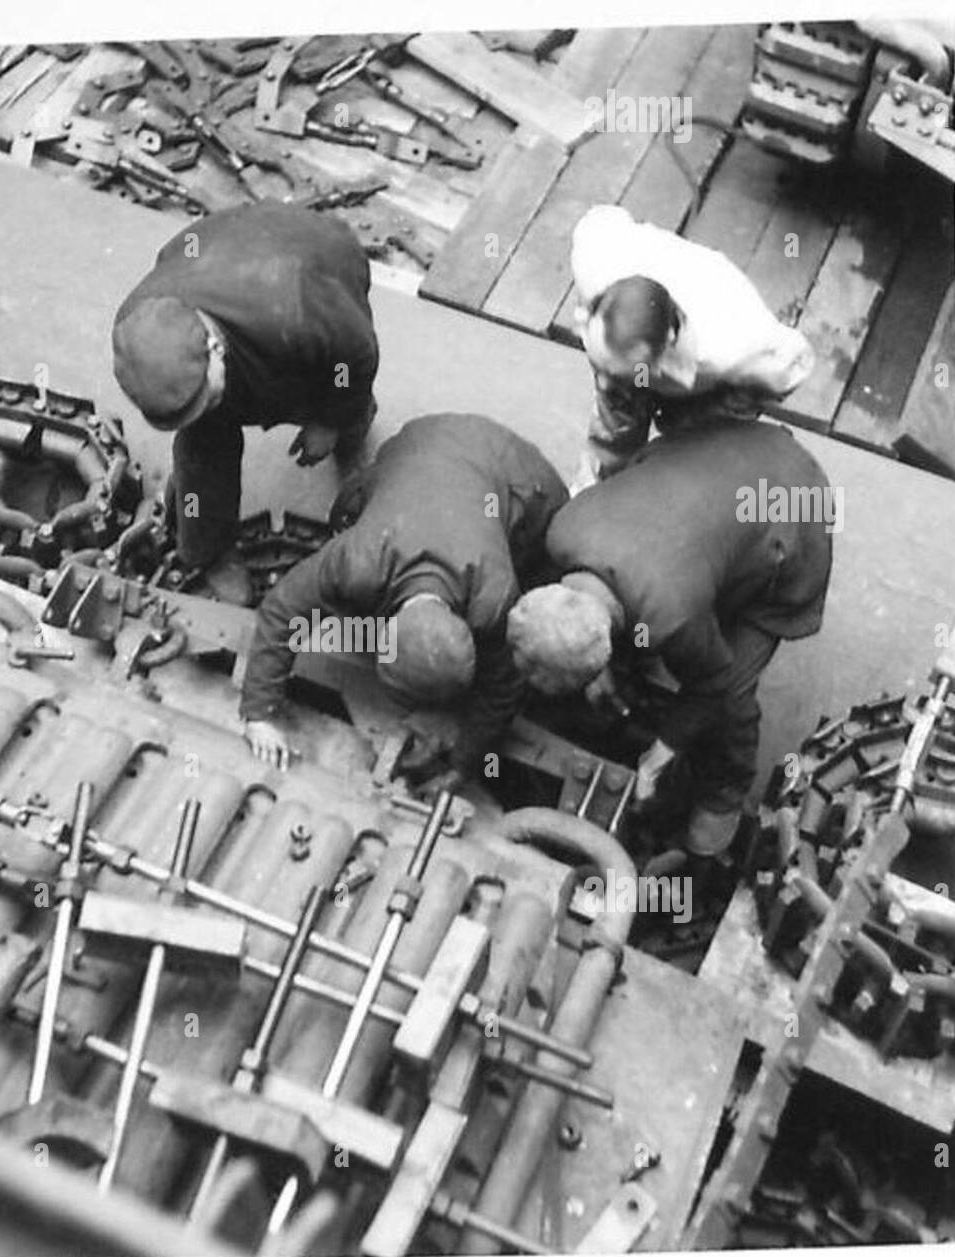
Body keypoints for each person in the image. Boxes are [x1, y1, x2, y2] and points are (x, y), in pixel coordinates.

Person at [508, 419, 834, 856]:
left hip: (793, 504)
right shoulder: (565, 529)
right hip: (714, 451)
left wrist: (659, 755)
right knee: (681, 603)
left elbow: (712, 684)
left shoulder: (672, 615)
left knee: (732, 694)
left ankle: (724, 793)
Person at [240, 413, 570, 785]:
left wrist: (463, 763)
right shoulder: (358, 558)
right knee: (348, 509)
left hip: (512, 471)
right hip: (420, 444)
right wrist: (259, 713)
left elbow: (501, 686)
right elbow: (283, 608)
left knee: (555, 552)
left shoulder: (496, 597)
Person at [112, 204, 379, 604]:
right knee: (201, 450)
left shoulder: (302, 317)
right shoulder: (139, 321)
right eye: (183, 410)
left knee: (340, 395)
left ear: (214, 347)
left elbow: (356, 357)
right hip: (219, 247)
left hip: (318, 257)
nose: (199, 410)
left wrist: (330, 421)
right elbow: (174, 255)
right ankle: (210, 551)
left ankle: (352, 424)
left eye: (202, 398)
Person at [570, 204, 816, 466]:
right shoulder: (597, 256)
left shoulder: (734, 343)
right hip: (640, 361)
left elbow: (793, 366)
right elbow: (603, 217)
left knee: (690, 454)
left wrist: (729, 409)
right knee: (615, 430)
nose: (607, 376)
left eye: (624, 371)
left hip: (712, 384)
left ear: (665, 349)